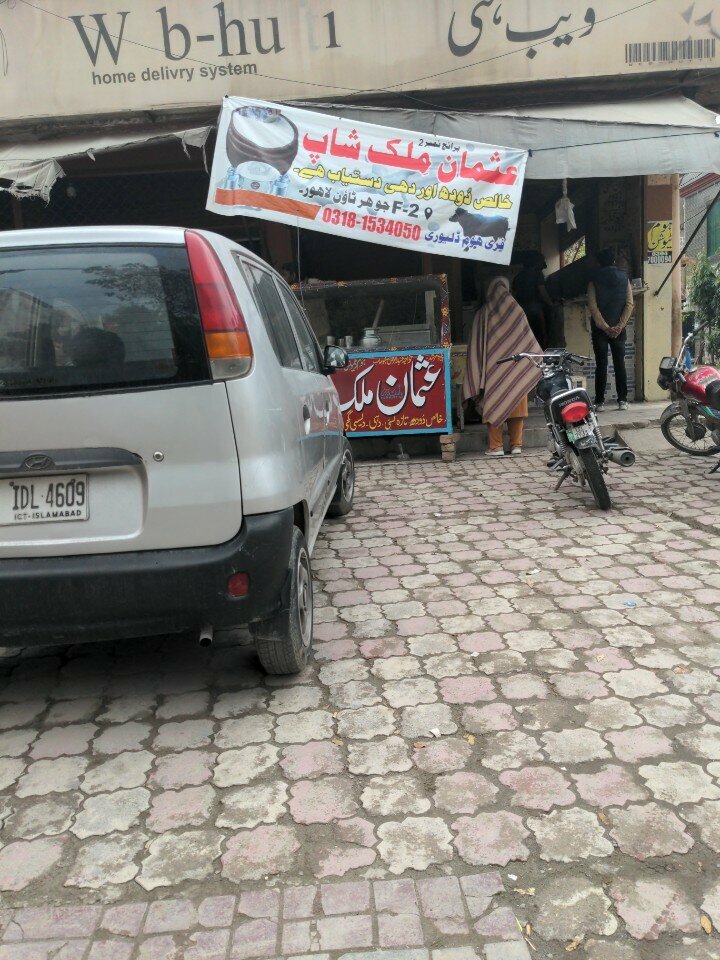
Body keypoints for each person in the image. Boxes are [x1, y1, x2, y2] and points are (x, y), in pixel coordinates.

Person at [462, 276, 542, 457]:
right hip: (517, 371)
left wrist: (479, 371)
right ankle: (516, 445)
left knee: (494, 403)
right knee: (516, 405)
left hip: (493, 373)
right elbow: (531, 345)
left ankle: (496, 446)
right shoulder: (518, 312)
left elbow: (475, 347)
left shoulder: (483, 314)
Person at [588, 248, 634, 411]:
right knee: (619, 363)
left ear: (599, 262)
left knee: (601, 364)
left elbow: (593, 308)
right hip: (619, 330)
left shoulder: (593, 280)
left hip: (600, 330)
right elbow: (629, 304)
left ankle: (599, 402)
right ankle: (622, 400)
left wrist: (606, 327)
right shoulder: (624, 278)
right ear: (614, 261)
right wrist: (619, 326)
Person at [512, 251, 554, 348]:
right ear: (536, 262)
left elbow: (514, 294)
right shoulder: (537, 274)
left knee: (526, 337)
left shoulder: (518, 276)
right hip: (535, 311)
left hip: (522, 311)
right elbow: (542, 292)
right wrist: (551, 304)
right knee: (540, 337)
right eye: (541, 261)